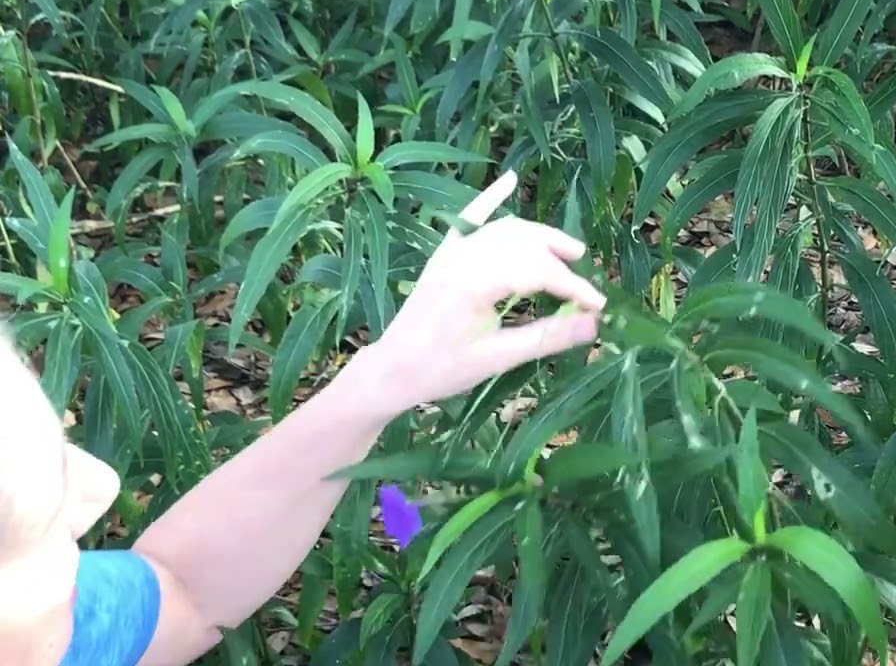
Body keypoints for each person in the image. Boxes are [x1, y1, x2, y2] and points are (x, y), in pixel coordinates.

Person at [0, 172, 608, 666]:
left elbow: (183, 588)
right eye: (38, 516)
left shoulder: (51, 633)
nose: (101, 483)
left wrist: (385, 380)